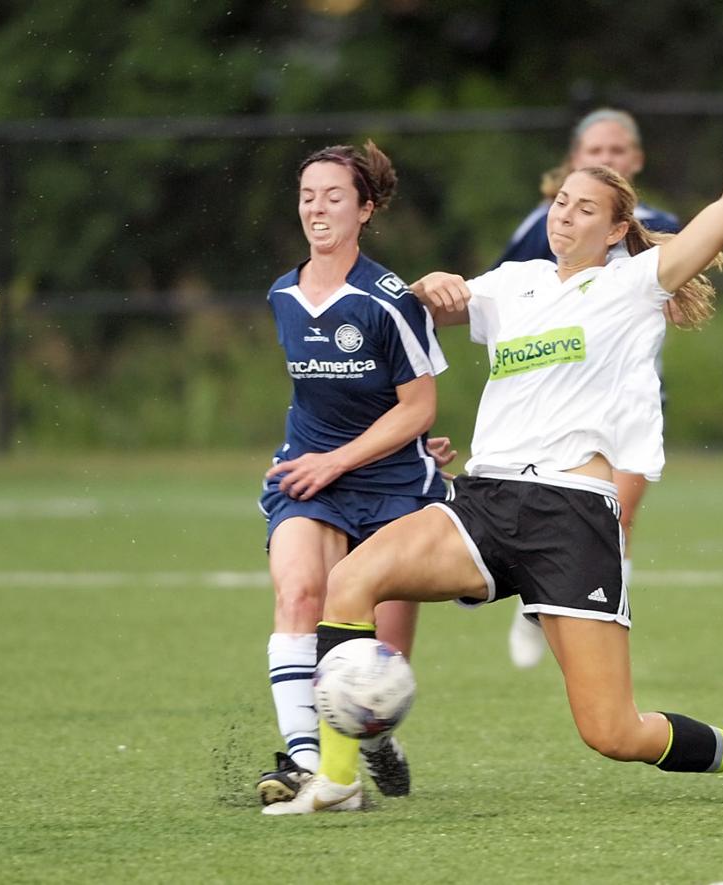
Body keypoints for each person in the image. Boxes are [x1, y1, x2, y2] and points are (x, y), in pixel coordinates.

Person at [262, 30, 723, 815]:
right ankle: (337, 778)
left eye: (586, 208)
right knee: (352, 579)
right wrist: (438, 288)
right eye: (559, 202)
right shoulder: (511, 283)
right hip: (483, 501)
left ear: (617, 228)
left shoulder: (635, 285)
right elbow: (410, 327)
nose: (565, 215)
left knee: (612, 730)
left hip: (571, 517)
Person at [254, 141, 449, 814]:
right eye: (308, 196)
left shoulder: (389, 299)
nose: (318, 208)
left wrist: (369, 452)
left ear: (364, 209)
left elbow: (419, 405)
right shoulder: (282, 294)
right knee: (300, 591)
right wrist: (323, 461)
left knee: (377, 660)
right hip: (311, 477)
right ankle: (305, 762)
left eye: (334, 196)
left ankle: (372, 742)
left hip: (397, 489)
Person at [496, 108, 682, 669]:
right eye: (595, 151)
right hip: (557, 404)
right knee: (561, 518)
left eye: (618, 151)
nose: (607, 158)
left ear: (637, 161)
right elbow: (507, 300)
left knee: (617, 515)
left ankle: (596, 632)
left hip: (628, 397)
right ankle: (538, 602)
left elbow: (673, 294)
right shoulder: (541, 227)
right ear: (575, 160)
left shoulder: (655, 224)